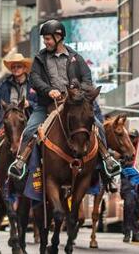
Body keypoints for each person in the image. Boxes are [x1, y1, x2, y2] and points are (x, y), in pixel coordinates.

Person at [8, 19, 121, 181]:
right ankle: (20, 164)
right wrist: (49, 91)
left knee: (98, 127)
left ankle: (107, 160)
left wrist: (76, 93)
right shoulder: (40, 58)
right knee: (29, 130)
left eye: (47, 38)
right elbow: (35, 79)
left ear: (58, 37)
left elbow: (87, 80)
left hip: (73, 103)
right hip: (47, 104)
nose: (45, 42)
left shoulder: (76, 58)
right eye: (44, 39)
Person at [120, 129, 139, 243]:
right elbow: (121, 165)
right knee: (129, 206)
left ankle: (136, 233)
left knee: (138, 207)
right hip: (127, 181)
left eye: (133, 137)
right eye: (130, 137)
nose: (132, 139)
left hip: (138, 181)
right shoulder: (125, 149)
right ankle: (127, 232)